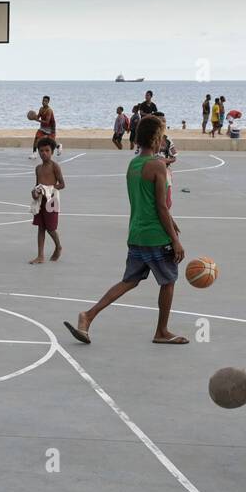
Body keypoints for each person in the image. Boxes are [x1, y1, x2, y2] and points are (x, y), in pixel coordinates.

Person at [64, 116, 187, 345]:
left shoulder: (134, 164)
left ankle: (88, 316)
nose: (164, 138)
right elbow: (160, 206)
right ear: (155, 137)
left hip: (136, 233)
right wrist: (175, 239)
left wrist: (172, 221)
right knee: (168, 281)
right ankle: (161, 331)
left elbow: (147, 201)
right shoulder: (157, 165)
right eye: (162, 134)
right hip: (155, 236)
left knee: (129, 281)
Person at [29, 137, 65, 264]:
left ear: (52, 152)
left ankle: (58, 246)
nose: (44, 153)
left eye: (47, 150)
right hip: (41, 201)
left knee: (50, 228)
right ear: (38, 152)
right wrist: (35, 192)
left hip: (52, 201)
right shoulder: (38, 168)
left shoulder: (55, 166)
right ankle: (40, 256)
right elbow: (36, 185)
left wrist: (48, 189)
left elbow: (62, 184)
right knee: (41, 227)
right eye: (41, 151)